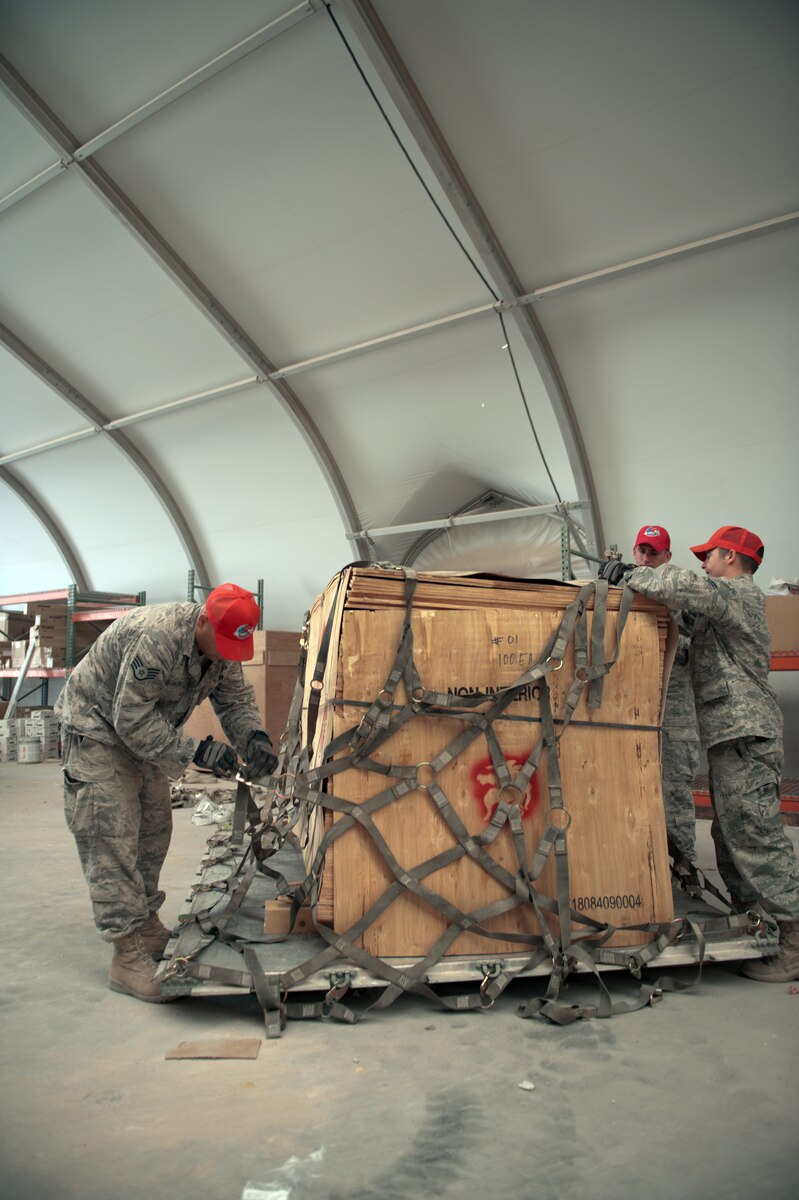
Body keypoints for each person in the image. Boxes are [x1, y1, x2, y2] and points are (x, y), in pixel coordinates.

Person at [55, 582, 278, 1002]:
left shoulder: (223, 645)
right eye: (223, 643)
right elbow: (130, 718)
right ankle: (125, 954)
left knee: (155, 829)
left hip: (145, 738)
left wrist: (256, 739)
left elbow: (234, 701)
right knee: (112, 836)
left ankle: (146, 924)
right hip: (99, 732)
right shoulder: (157, 637)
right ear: (203, 621)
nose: (227, 655)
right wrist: (198, 751)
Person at [601, 526, 799, 982]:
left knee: (756, 838)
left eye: (708, 555)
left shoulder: (739, 593)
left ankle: (793, 937)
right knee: (730, 844)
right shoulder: (722, 609)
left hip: (745, 735)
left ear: (730, 558)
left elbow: (684, 586)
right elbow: (688, 624)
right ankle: (759, 928)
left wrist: (630, 573)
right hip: (730, 737)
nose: (703, 562)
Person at [630, 524, 700, 864]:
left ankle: (684, 870)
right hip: (633, 713)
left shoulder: (680, 596)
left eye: (653, 553)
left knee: (674, 798)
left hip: (675, 718)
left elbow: (688, 640)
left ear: (667, 557)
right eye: (641, 551)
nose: (645, 559)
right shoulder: (626, 599)